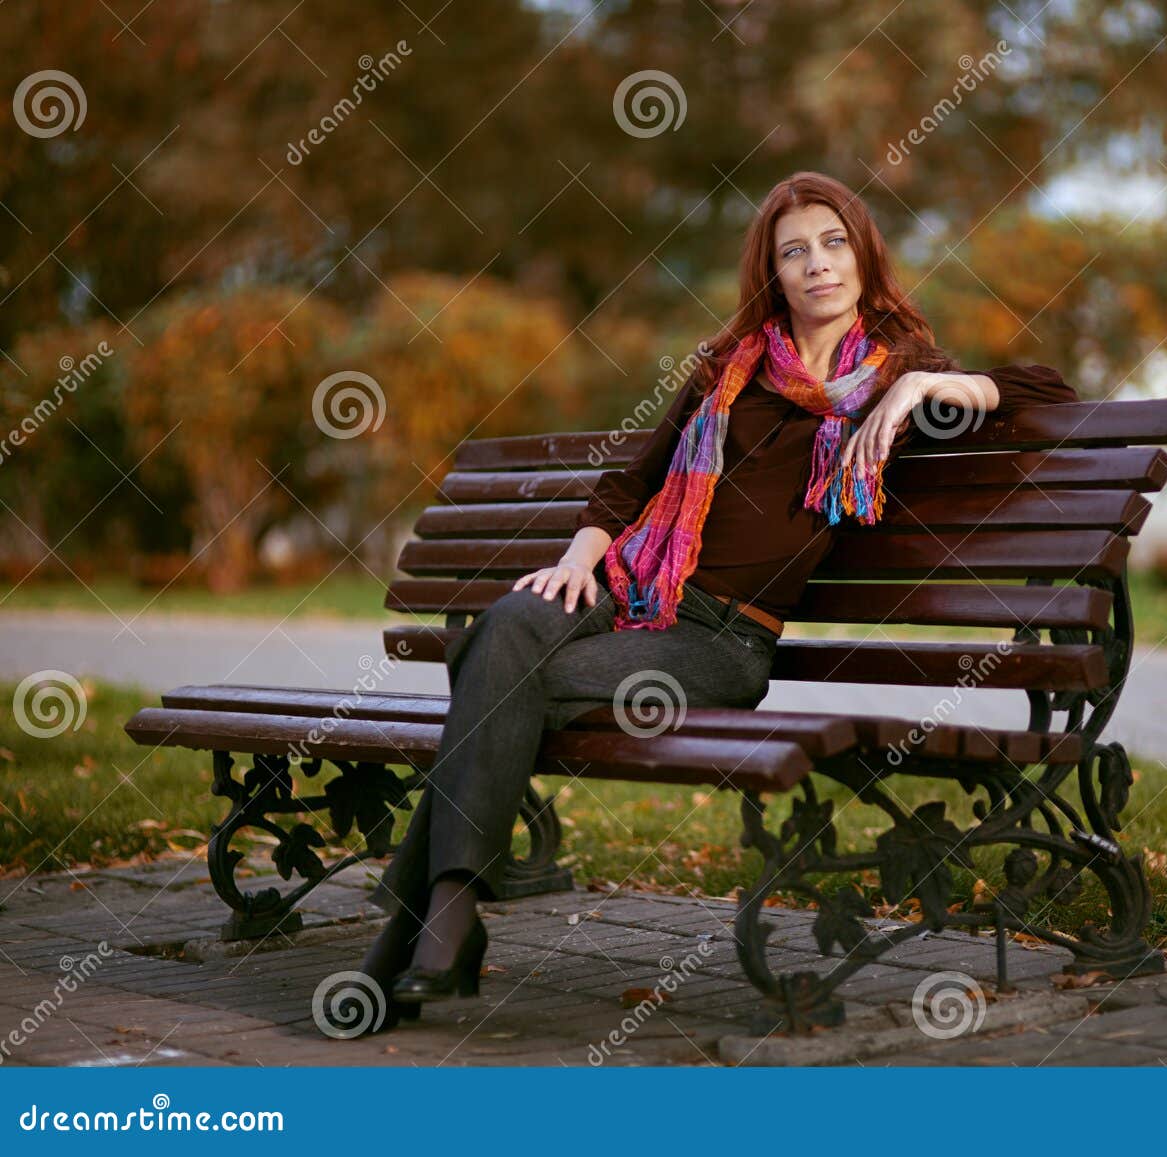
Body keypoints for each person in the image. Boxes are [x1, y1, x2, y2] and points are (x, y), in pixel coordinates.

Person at [353, 170, 1077, 1031]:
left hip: (722, 640)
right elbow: (632, 480)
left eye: (833, 243)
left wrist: (927, 389)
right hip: (627, 592)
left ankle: (422, 925)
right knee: (504, 624)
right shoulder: (726, 370)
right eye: (794, 251)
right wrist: (582, 555)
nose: (817, 265)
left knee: (495, 668)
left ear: (864, 254)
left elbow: (1045, 391)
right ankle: (446, 917)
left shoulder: (896, 372)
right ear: (772, 272)